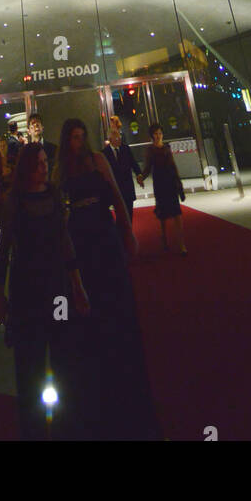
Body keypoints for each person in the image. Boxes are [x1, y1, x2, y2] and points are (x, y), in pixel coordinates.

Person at [56, 118, 159, 440]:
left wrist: (127, 230)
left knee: (115, 294)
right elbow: (60, 209)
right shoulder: (64, 169)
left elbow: (115, 194)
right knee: (91, 296)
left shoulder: (97, 160)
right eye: (73, 137)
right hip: (81, 237)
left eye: (81, 136)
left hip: (103, 231)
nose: (78, 141)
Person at [0, 142, 89, 439]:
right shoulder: (15, 200)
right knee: (29, 363)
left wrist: (77, 284)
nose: (44, 167)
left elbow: (64, 240)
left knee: (62, 353)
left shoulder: (53, 195)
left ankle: (65, 425)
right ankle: (32, 428)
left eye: (46, 161)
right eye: (39, 163)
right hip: (26, 293)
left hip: (56, 288)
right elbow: (4, 248)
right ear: (27, 168)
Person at [138, 124, 187, 255]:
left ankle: (181, 244)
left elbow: (173, 166)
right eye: (156, 133)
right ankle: (164, 239)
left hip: (170, 182)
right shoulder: (150, 150)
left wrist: (179, 184)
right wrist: (141, 176)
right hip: (160, 184)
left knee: (177, 213)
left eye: (160, 133)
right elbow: (148, 167)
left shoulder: (167, 148)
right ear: (152, 136)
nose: (158, 135)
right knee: (163, 215)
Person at [103, 121, 140, 224]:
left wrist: (139, 174)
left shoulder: (126, 149)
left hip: (127, 188)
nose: (119, 139)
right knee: (120, 216)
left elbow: (133, 163)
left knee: (129, 214)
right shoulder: (104, 154)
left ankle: (129, 235)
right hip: (115, 190)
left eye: (119, 137)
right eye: (116, 138)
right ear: (110, 140)